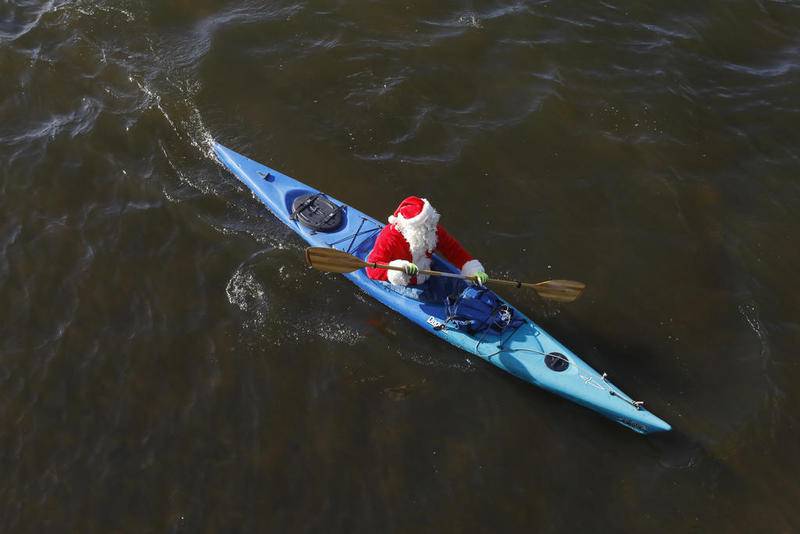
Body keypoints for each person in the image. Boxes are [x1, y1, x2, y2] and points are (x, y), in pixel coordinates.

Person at [366, 196, 489, 287]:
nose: (431, 227)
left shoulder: (432, 229)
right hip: (405, 281)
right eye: (425, 225)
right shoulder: (389, 237)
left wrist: (474, 271)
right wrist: (398, 269)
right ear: (412, 227)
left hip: (426, 269)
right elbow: (372, 269)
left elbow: (453, 250)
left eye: (430, 221)